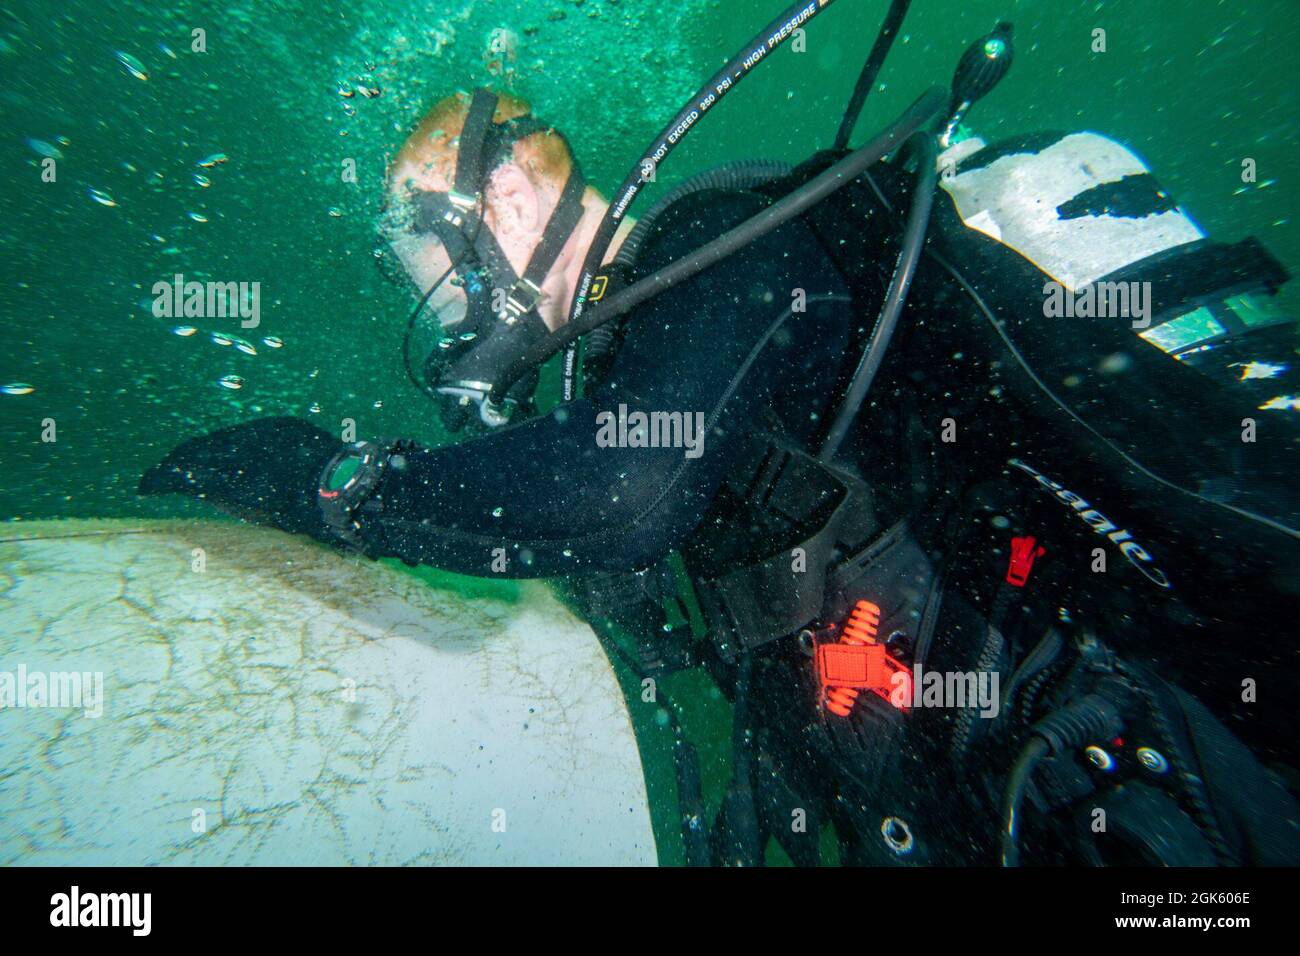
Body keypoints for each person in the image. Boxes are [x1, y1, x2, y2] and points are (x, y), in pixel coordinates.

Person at [141, 30, 1300, 865]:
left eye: (438, 280)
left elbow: (619, 488)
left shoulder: (717, 245)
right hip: (986, 780)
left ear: (500, 199)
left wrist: (331, 481)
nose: (446, 321)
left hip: (1123, 762)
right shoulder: (638, 340)